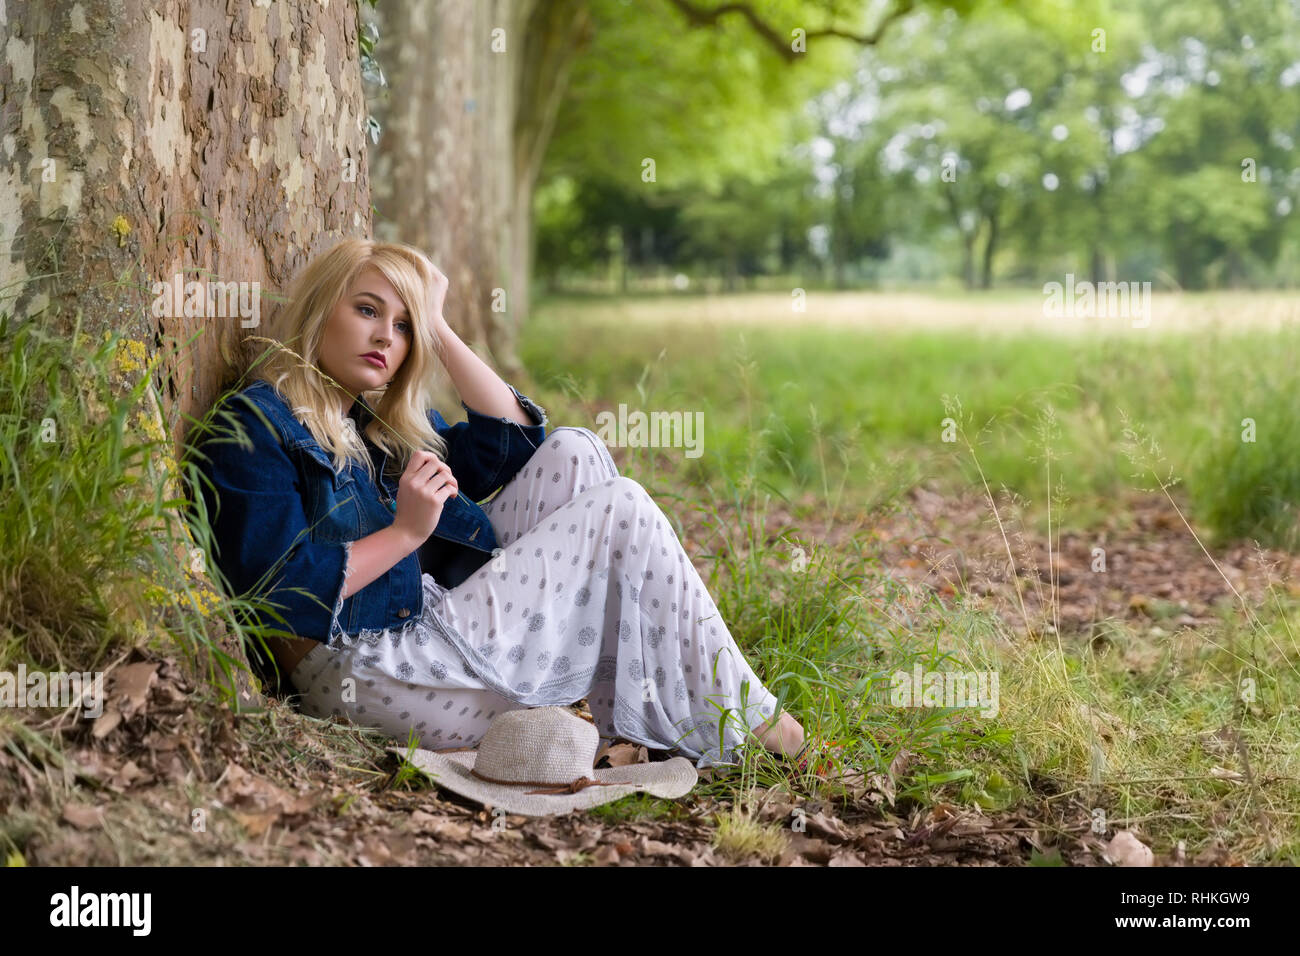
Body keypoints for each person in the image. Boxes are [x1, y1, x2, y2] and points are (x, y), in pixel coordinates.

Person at [189, 237, 811, 769]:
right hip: (366, 669)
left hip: (425, 630)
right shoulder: (256, 424)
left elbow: (512, 440)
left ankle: (632, 715)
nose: (386, 335)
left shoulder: (376, 426)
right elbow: (276, 592)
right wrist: (405, 534)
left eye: (403, 326)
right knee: (620, 507)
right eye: (367, 310)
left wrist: (438, 325)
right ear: (322, 310)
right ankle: (753, 721)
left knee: (576, 451)